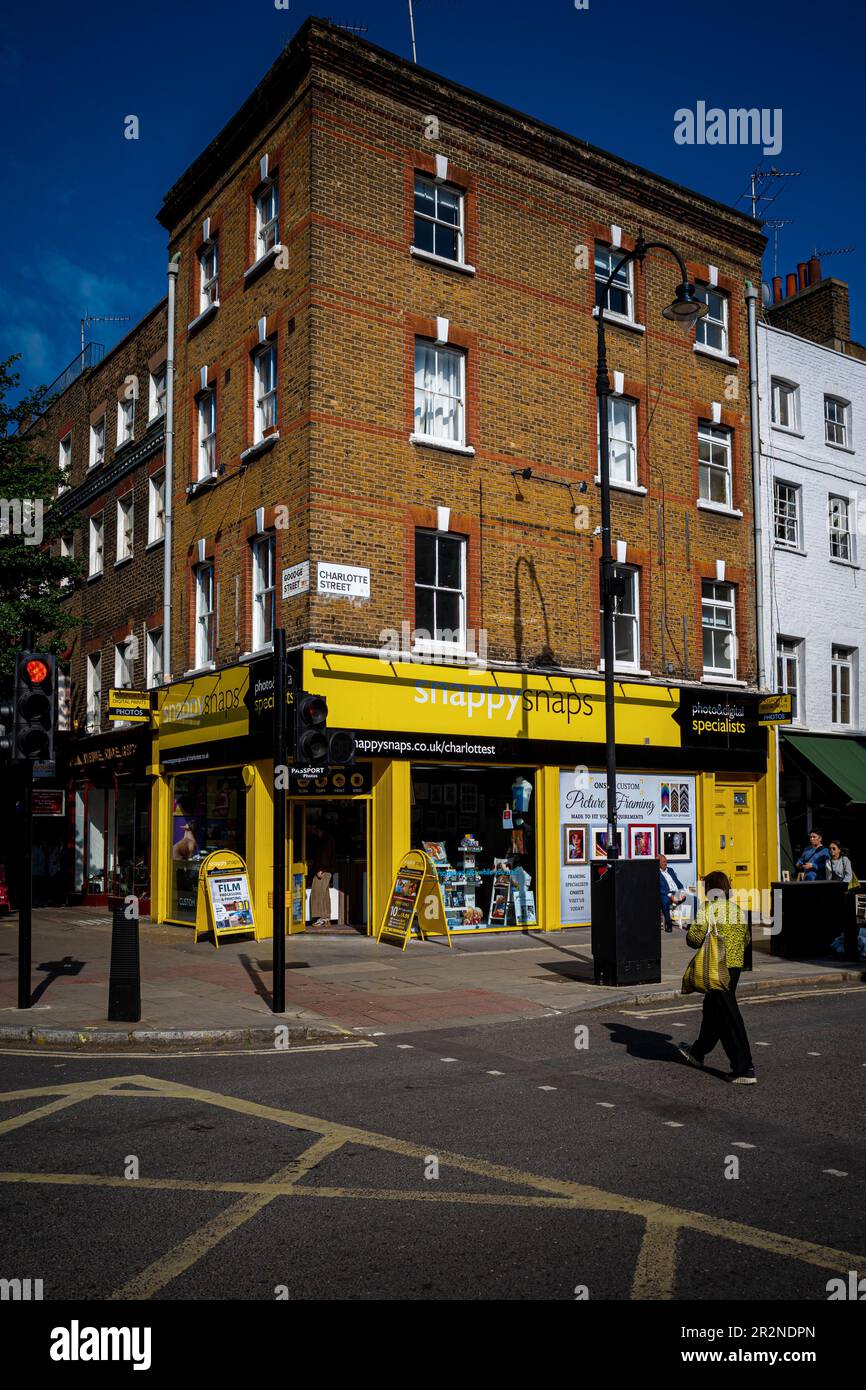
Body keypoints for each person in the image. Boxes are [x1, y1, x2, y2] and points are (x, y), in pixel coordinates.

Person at [677, 871, 756, 1084]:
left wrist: (689, 929)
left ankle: (743, 1068)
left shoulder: (709, 909)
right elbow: (747, 938)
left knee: (729, 1016)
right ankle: (697, 1052)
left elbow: (694, 940)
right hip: (735, 967)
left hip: (716, 967)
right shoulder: (737, 909)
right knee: (713, 1010)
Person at [308, 821, 336, 926]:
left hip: (323, 870)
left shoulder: (325, 840)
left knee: (317, 893)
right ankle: (326, 918)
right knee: (324, 894)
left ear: (319, 830)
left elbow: (324, 855)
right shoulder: (328, 839)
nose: (315, 832)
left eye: (316, 830)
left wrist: (321, 869)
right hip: (327, 870)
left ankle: (321, 918)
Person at [659, 854, 686, 932]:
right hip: (666, 893)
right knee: (665, 900)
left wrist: (682, 892)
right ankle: (668, 924)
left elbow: (678, 882)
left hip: (676, 892)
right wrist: (671, 896)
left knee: (694, 899)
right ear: (659, 863)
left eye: (666, 862)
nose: (665, 863)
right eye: (663, 862)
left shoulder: (670, 870)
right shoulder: (656, 873)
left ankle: (691, 924)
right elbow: (660, 888)